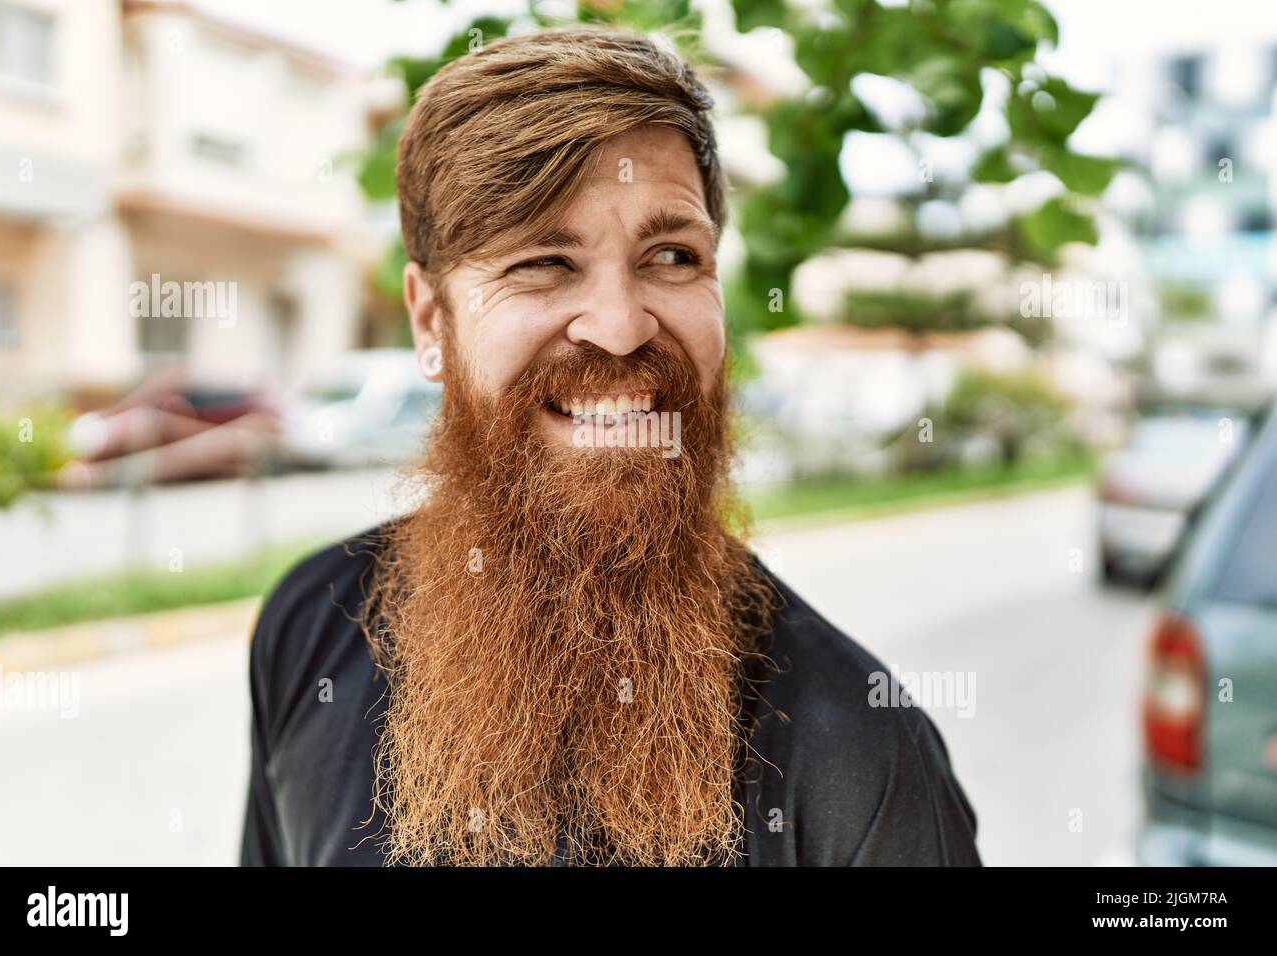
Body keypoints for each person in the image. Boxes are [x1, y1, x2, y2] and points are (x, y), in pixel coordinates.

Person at [239, 24, 981, 867]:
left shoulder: (863, 759)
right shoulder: (308, 630)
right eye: (543, 261)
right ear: (429, 319)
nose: (622, 328)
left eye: (672, 256)